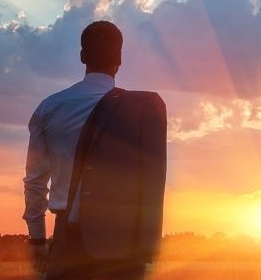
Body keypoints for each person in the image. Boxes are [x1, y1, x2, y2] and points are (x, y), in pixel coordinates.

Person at [24, 20, 167, 279]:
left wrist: (37, 239)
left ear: (82, 56)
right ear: (119, 59)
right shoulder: (143, 109)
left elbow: (35, 180)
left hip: (67, 240)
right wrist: (147, 246)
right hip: (122, 245)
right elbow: (152, 182)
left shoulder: (50, 107)